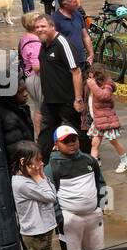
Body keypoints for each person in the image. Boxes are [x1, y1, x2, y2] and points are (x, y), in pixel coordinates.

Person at [45, 125, 107, 250]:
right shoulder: (52, 168)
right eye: (66, 141)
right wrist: (59, 219)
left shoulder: (89, 160)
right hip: (70, 221)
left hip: (94, 218)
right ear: (56, 144)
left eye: (74, 140)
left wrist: (103, 207)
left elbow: (101, 183)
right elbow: (49, 196)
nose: (71, 144)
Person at [34, 14, 88, 160]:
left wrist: (78, 99)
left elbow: (76, 71)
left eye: (43, 26)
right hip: (50, 100)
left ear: (52, 27)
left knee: (77, 132)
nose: (39, 30)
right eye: (37, 27)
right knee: (45, 134)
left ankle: (87, 162)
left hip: (67, 100)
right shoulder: (43, 45)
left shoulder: (62, 43)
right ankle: (40, 164)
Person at [11, 142, 58, 250]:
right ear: (23, 162)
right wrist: (39, 177)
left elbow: (52, 191)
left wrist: (42, 176)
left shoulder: (30, 177)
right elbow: (51, 196)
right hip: (37, 233)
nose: (41, 163)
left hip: (43, 228)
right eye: (37, 160)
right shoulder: (22, 184)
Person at [86, 64, 127, 172]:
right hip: (98, 120)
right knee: (94, 143)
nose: (89, 79)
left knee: (113, 141)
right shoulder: (95, 85)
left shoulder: (107, 85)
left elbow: (104, 96)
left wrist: (92, 85)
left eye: (91, 76)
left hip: (106, 119)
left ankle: (125, 161)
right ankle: (93, 166)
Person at [0, 77, 35, 164]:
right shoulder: (9, 120)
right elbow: (18, 151)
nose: (25, 94)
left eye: (25, 89)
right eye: (20, 91)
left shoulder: (20, 109)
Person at [54, 0, 93, 72]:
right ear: (65, 4)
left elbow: (85, 36)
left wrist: (91, 54)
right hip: (65, 63)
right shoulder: (55, 19)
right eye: (74, 1)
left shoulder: (78, 15)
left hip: (81, 59)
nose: (77, 3)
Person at [18, 10, 43, 136]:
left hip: (29, 77)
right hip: (36, 78)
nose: (41, 20)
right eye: (38, 19)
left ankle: (39, 135)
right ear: (32, 24)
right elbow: (37, 66)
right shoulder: (35, 42)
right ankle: (40, 135)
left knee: (38, 108)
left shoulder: (25, 37)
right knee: (41, 109)